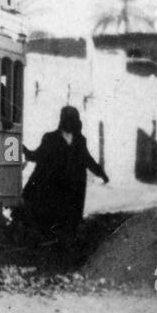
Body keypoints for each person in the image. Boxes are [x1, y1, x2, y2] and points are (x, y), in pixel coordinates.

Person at [19, 106, 108, 250]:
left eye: (72, 118)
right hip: (56, 188)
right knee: (55, 220)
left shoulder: (80, 140)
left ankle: (68, 250)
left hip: (74, 188)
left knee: (71, 220)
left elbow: (87, 159)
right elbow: (37, 156)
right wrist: (22, 148)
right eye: (67, 118)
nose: (70, 122)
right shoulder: (50, 138)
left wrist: (101, 174)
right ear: (62, 120)